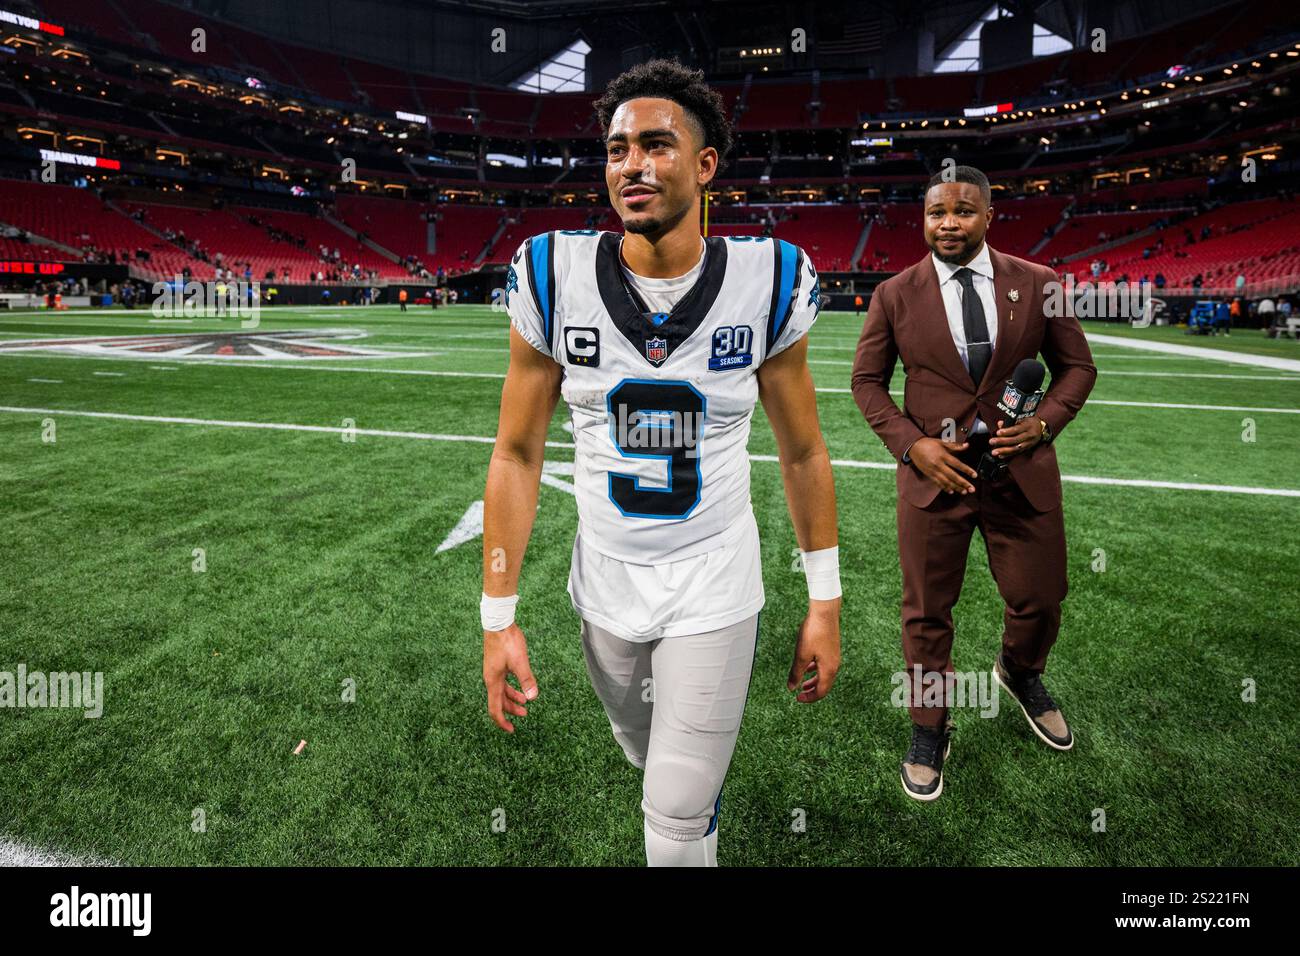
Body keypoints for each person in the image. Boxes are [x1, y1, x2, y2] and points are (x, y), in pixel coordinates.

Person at [481, 58, 841, 866]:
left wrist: (825, 601)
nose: (631, 166)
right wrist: (496, 617)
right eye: (616, 149)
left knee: (674, 810)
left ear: (706, 164)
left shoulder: (769, 278)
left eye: (656, 144)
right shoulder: (550, 272)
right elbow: (516, 452)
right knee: (645, 755)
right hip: (603, 580)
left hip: (714, 574)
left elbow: (804, 448)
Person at [850, 165, 1096, 801]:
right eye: (937, 213)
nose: (948, 223)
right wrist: (913, 447)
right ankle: (929, 725)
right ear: (924, 219)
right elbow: (866, 383)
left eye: (962, 211)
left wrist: (1043, 425)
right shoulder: (894, 293)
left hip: (1022, 474)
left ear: (990, 215)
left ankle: (1019, 671)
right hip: (936, 478)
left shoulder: (1040, 283)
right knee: (927, 612)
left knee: (1041, 597)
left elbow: (1078, 368)